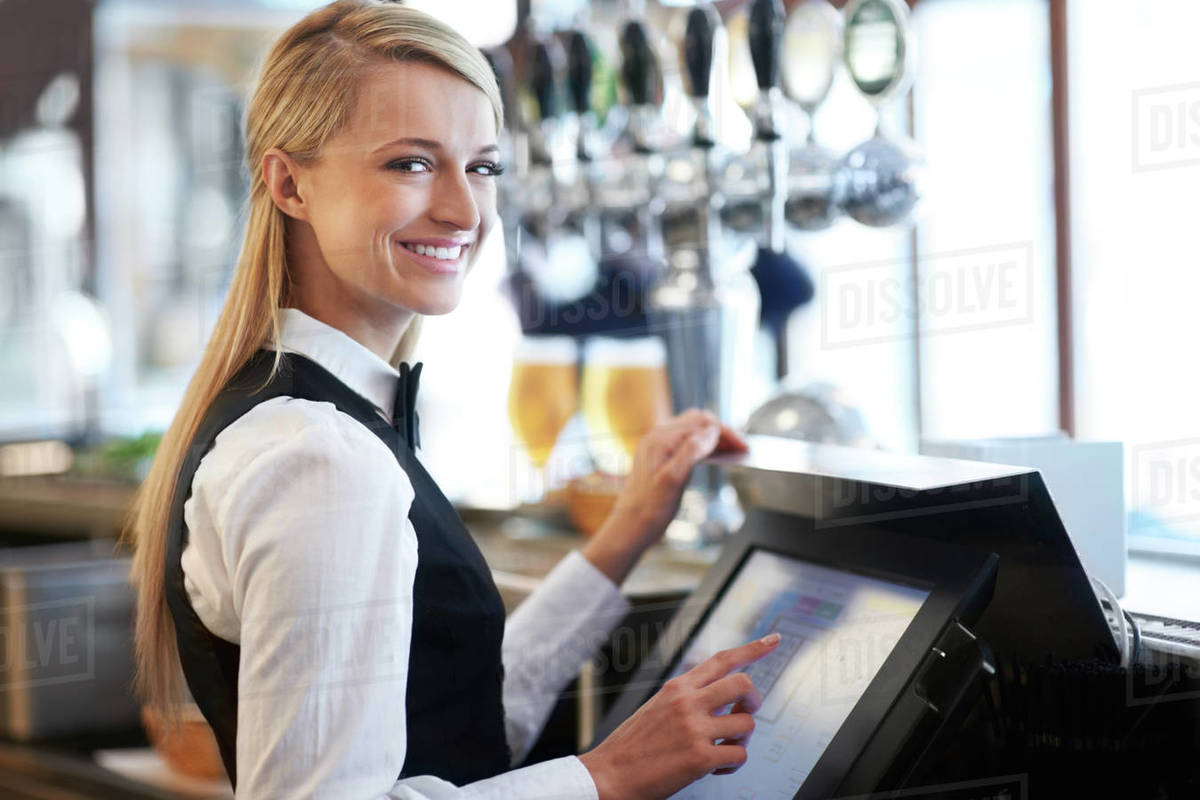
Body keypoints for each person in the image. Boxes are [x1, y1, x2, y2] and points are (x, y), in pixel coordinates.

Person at [125, 2, 778, 798]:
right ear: (289, 183)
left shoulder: (319, 414)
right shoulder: (321, 458)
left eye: (483, 167)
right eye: (410, 164)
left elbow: (454, 716)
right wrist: (606, 776)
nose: (465, 212)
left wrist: (628, 531)